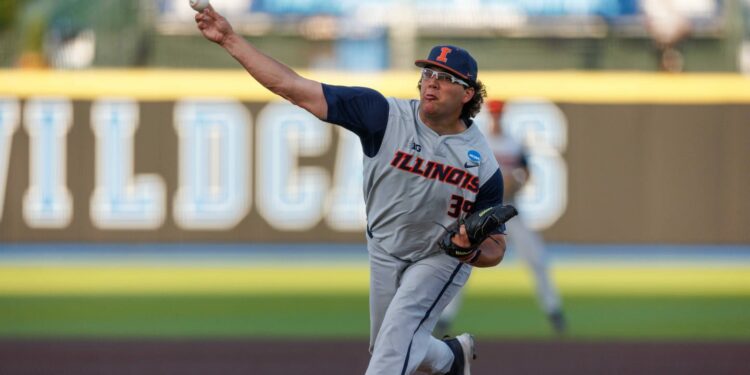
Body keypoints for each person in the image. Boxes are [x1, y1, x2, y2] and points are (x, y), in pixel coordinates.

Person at [194, 6, 508, 375]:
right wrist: (230, 39)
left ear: (468, 93)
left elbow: (496, 248)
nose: (431, 82)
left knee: (391, 351)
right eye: (427, 73)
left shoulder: (483, 164)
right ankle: (450, 358)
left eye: (445, 77)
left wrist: (469, 251)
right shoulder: (383, 115)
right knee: (390, 344)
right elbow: (294, 87)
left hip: (439, 257)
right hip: (385, 248)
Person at [436, 99, 566, 337]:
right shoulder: (479, 141)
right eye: (493, 114)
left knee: (536, 258)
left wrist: (515, 184)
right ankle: (444, 318)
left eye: (499, 114)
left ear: (503, 115)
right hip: (481, 211)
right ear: (490, 115)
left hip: (508, 209)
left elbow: (526, 174)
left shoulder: (513, 143)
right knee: (461, 263)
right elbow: (464, 174)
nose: (496, 118)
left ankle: (554, 311)